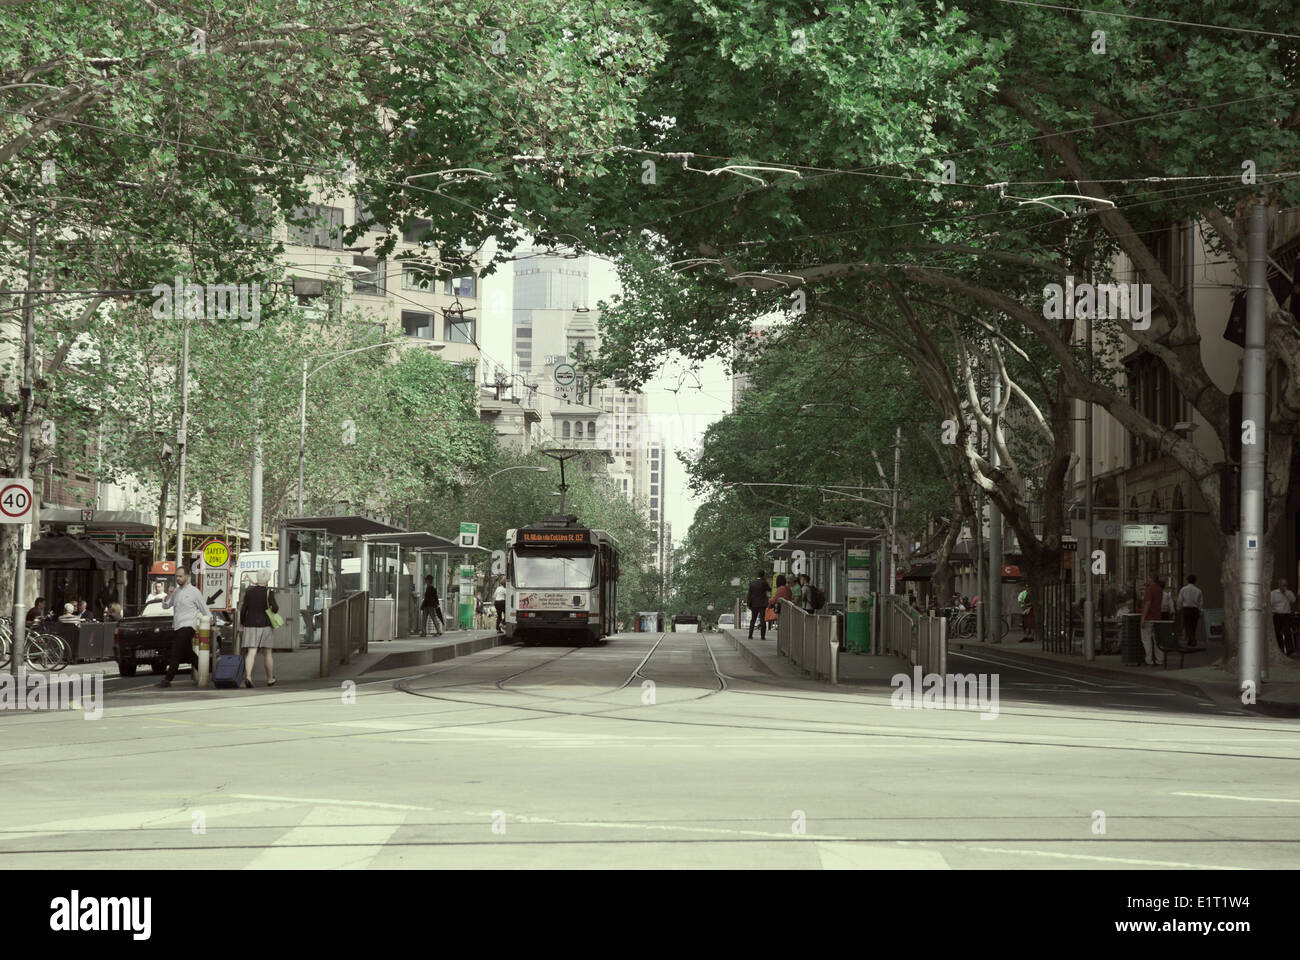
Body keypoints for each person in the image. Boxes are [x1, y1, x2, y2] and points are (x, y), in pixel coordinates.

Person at [159, 567, 211, 688]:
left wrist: (211, 623)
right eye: (176, 576)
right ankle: (206, 671)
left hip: (188, 627)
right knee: (188, 653)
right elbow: (166, 606)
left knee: (175, 652)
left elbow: (204, 608)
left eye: (180, 576)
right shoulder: (176, 592)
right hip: (177, 626)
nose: (178, 578)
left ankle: (168, 679)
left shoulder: (194, 592)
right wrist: (169, 594)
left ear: (187, 576)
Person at [239, 570, 279, 688]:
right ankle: (270, 678)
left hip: (250, 624)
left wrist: (242, 624)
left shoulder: (249, 592)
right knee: (267, 653)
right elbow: (275, 609)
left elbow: (243, 609)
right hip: (265, 624)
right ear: (267, 580)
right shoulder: (268, 592)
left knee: (251, 652)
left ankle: (249, 676)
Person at [1139, 576, 1164, 667]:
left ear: (1152, 579)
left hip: (1149, 618)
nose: (1147, 580)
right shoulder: (1160, 589)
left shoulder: (1149, 589)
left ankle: (1148, 660)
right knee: (1157, 639)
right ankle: (1160, 659)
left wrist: (1142, 618)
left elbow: (1147, 604)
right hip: (1157, 618)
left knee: (1146, 639)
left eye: (1148, 578)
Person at [1269, 578, 1297, 656]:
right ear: (1279, 585)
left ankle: (1289, 650)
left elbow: (1293, 600)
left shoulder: (1289, 593)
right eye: (1283, 585)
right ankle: (1280, 648)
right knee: (1277, 632)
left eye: (1285, 585)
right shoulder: (1273, 593)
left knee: (1286, 632)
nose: (1284, 586)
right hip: (1277, 615)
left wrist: (1286, 593)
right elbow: (1270, 603)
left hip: (1286, 616)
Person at [1176, 574, 1204, 648]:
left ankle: (1192, 640)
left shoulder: (1183, 589)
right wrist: (1201, 610)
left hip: (1186, 609)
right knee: (1193, 625)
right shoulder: (1198, 590)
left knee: (1187, 625)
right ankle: (1191, 640)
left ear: (1187, 580)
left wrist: (1178, 608)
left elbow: (1179, 600)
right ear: (1195, 581)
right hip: (1195, 610)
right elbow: (1200, 602)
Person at [746, 569, 771, 641]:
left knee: (753, 620)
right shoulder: (764, 582)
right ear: (763, 575)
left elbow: (749, 594)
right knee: (762, 620)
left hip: (754, 603)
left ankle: (750, 635)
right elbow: (769, 589)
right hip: (762, 604)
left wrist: (748, 603)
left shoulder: (752, 583)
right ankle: (762, 636)